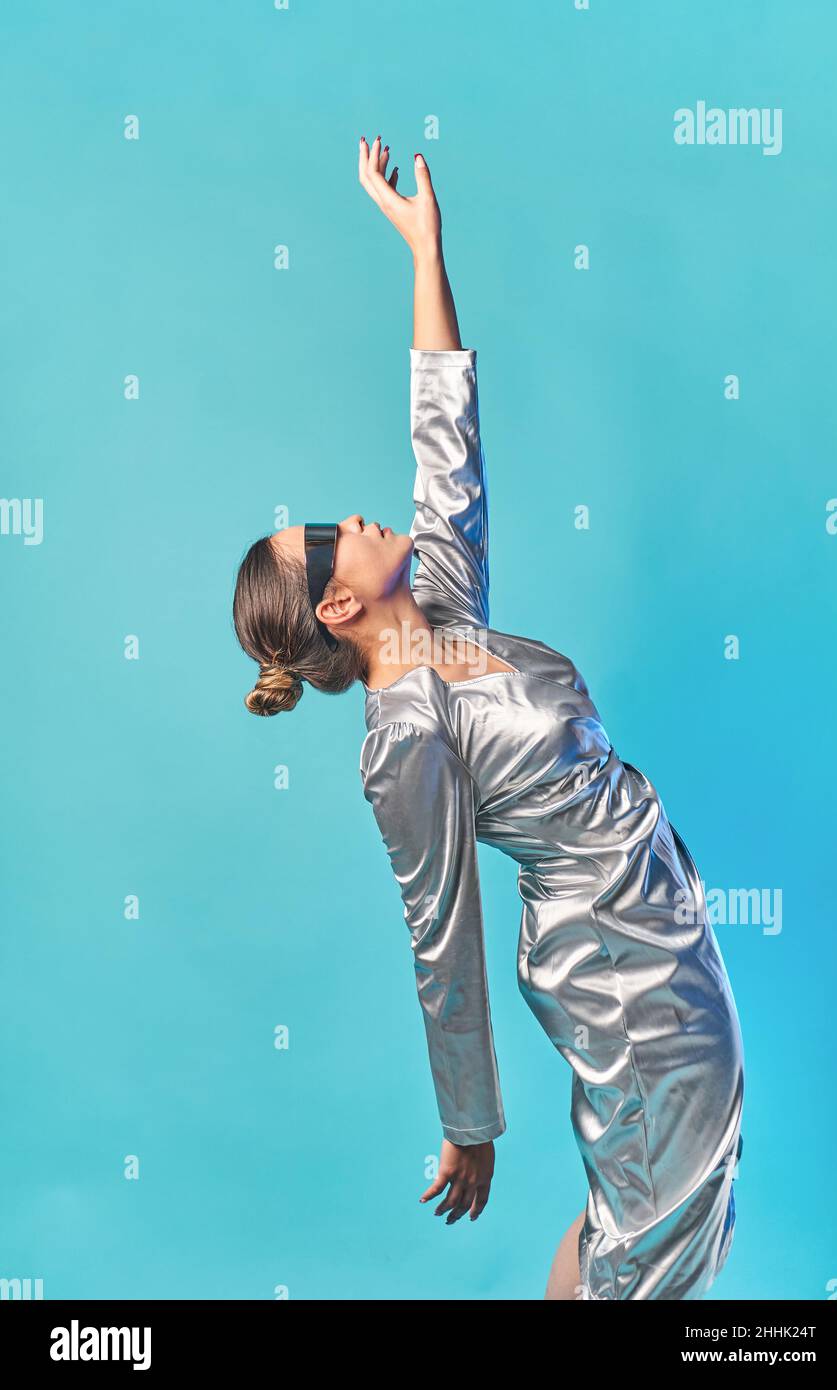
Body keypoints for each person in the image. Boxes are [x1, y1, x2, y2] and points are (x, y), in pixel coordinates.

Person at [231, 136, 745, 1300]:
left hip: (657, 914)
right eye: (329, 534)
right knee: (655, 1227)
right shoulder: (401, 740)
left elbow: (445, 440)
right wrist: (471, 1125)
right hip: (613, 965)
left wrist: (423, 247)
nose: (354, 516)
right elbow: (440, 938)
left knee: (651, 1207)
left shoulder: (448, 616)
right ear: (339, 599)